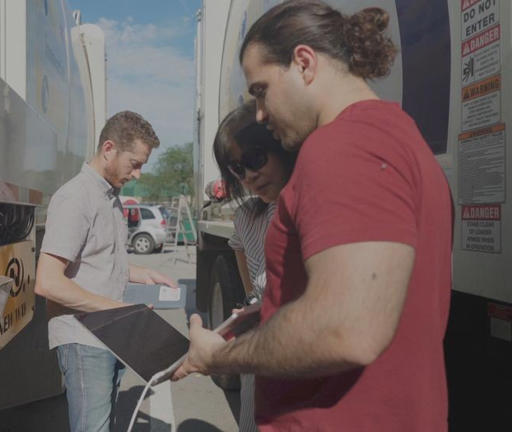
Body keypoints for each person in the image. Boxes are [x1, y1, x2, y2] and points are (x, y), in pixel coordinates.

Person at [173, 1, 453, 431]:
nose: (261, 114)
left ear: (303, 63)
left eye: (261, 90)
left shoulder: (341, 146)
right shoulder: (402, 140)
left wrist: (219, 358)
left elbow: (346, 328)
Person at [35, 111, 177, 432]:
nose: (138, 174)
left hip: (109, 334)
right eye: (135, 163)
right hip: (84, 339)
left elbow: (98, 260)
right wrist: (123, 310)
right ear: (109, 149)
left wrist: (141, 274)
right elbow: (47, 282)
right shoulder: (75, 198)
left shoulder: (110, 198)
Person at [212, 101, 296, 432]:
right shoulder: (247, 215)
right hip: (258, 340)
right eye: (236, 169)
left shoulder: (304, 206)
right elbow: (237, 247)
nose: (249, 175)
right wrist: (252, 297)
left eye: (255, 159)